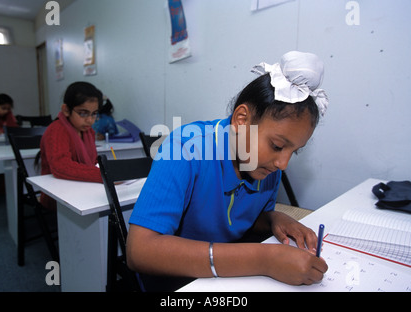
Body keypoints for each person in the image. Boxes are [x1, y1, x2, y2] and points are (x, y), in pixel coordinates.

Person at [127, 51, 330, 291]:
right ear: (241, 120)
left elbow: (241, 220)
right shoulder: (185, 148)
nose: (282, 164)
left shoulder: (264, 164)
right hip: (177, 281)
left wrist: (274, 219)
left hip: (226, 276)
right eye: (277, 146)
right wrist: (263, 259)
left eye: (293, 151)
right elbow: (140, 251)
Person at [39, 82, 103, 210]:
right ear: (66, 110)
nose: (90, 120)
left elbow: (93, 160)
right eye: (83, 113)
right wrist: (103, 175)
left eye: (94, 113)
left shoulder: (88, 131)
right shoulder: (57, 130)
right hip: (59, 194)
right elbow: (61, 166)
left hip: (83, 188)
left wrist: (106, 168)